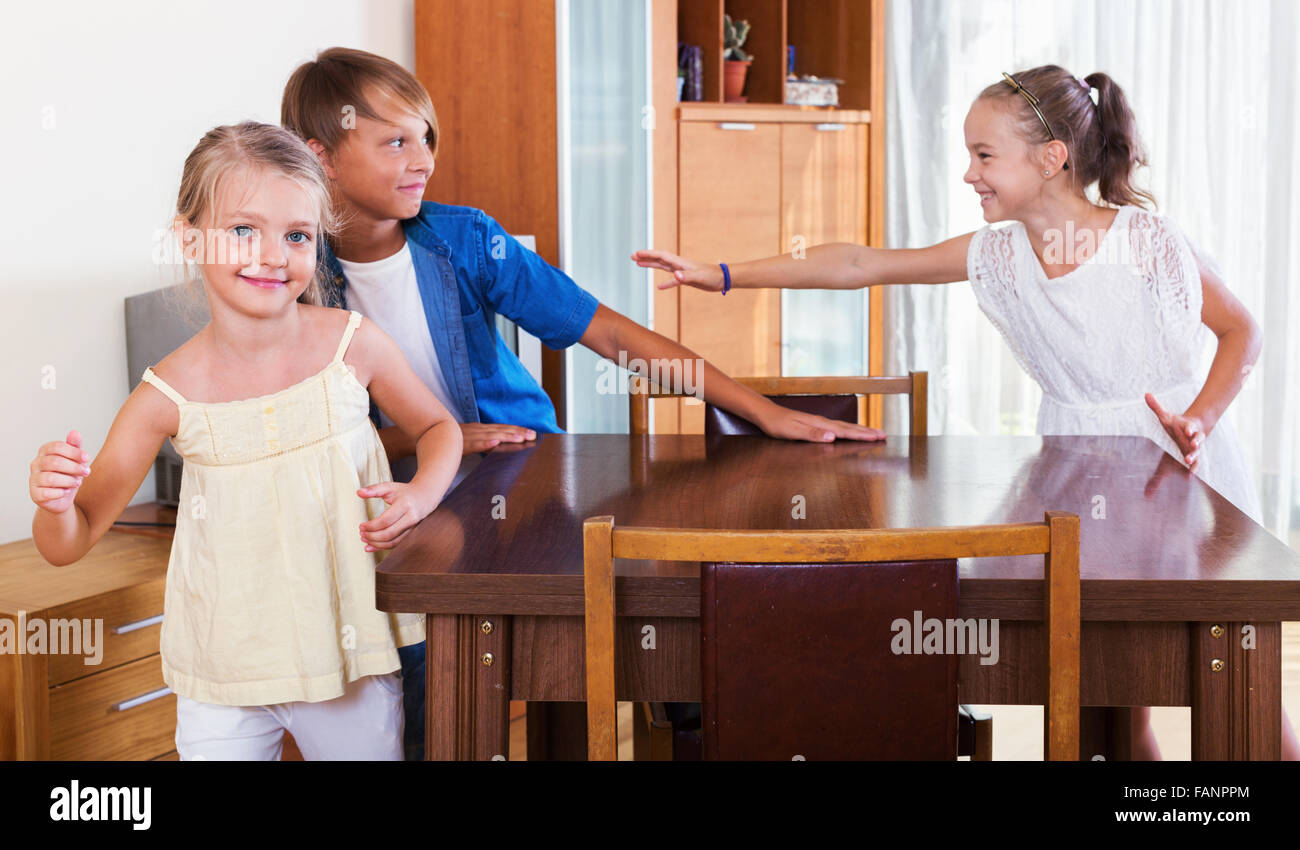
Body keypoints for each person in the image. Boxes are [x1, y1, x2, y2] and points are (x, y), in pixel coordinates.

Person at [634, 64, 1298, 760]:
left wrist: (1201, 416)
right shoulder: (998, 254)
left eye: (984, 156)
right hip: (1079, 474)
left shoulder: (1146, 242)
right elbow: (863, 263)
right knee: (1111, 689)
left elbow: (1242, 331)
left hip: (1176, 473)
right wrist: (727, 275)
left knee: (1241, 689)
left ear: (1051, 159)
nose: (968, 174)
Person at [280, 46, 886, 760]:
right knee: (427, 663)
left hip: (518, 478)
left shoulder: (466, 239)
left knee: (639, 597)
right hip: (400, 494)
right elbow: (304, 436)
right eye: (394, 142)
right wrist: (442, 441)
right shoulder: (288, 270)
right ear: (319, 157)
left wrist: (761, 410)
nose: (424, 160)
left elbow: (604, 330)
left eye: (426, 138)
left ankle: (702, 718)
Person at [27, 121, 463, 759]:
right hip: (222, 670)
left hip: (346, 656)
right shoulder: (165, 394)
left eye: (296, 235)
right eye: (242, 230)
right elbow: (70, 541)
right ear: (189, 237)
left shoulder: (352, 342)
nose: (272, 254)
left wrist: (420, 497)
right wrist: (56, 504)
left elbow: (438, 428)